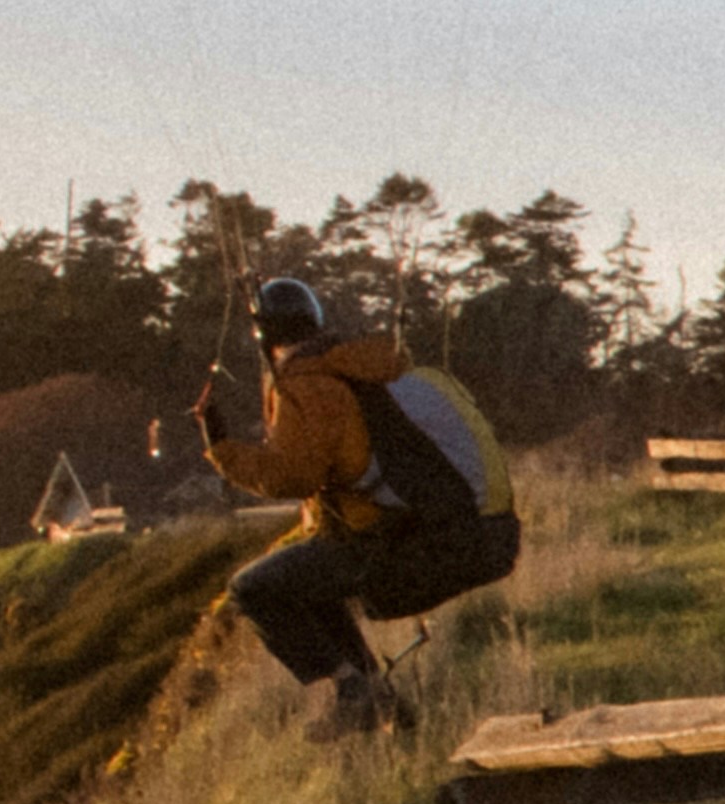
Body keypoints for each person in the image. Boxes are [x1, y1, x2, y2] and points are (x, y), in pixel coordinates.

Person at [198, 279, 521, 734]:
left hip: (423, 545)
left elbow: (292, 476)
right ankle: (380, 704)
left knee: (253, 588)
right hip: (485, 535)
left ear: (264, 338)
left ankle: (355, 690)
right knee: (312, 577)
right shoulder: (374, 371)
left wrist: (223, 448)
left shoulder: (309, 386)